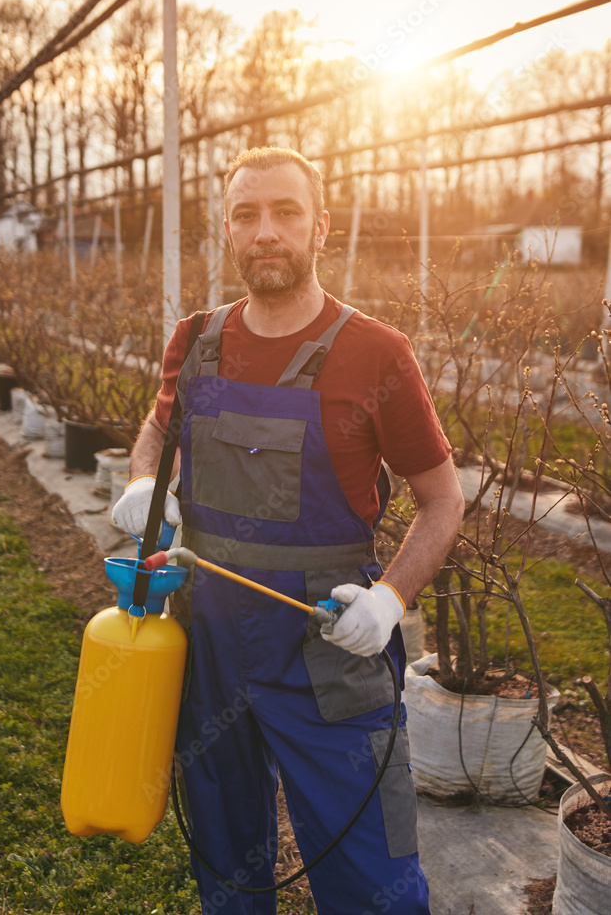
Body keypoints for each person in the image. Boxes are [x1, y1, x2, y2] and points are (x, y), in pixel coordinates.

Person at [112, 146, 464, 915]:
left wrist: (389, 600)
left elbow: (443, 500)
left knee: (371, 880)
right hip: (209, 648)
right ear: (227, 232)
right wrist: (144, 479)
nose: (264, 231)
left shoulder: (376, 352)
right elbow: (156, 425)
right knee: (228, 867)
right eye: (246, 215)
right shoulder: (195, 340)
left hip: (328, 651)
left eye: (285, 212)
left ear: (320, 228)